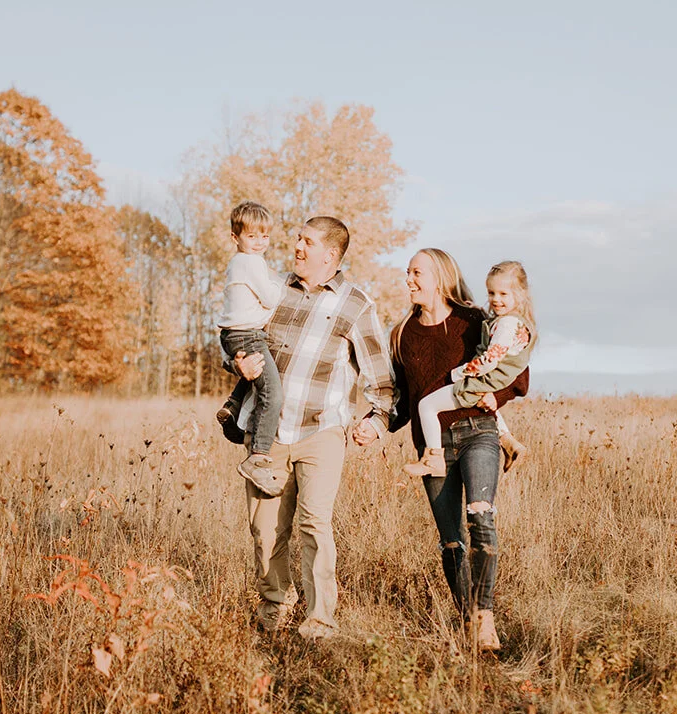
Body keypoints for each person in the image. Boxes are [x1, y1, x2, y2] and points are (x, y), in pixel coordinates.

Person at [232, 216, 395, 640]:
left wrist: (376, 420)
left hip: (322, 431)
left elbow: (380, 377)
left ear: (331, 254)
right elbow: (238, 334)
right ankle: (274, 606)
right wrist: (236, 361)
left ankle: (321, 619)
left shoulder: (355, 303)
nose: (297, 247)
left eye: (306, 242)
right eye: (298, 240)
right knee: (266, 530)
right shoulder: (273, 289)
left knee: (314, 523)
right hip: (267, 435)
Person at [385, 248, 529, 651]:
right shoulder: (401, 334)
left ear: (440, 278)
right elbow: (403, 398)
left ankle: (485, 618)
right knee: (452, 541)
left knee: (480, 519)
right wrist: (373, 422)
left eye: (416, 272)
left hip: (478, 432)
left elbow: (517, 372)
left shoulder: (475, 320)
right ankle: (467, 619)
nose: (409, 279)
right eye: (408, 272)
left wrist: (494, 397)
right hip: (433, 446)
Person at [405, 260, 536, 477]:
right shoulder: (511, 321)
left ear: (520, 294)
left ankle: (433, 460)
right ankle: (509, 441)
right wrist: (476, 309)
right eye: (492, 293)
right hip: (492, 381)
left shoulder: (506, 325)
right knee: (483, 401)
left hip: (484, 377)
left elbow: (490, 359)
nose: (496, 299)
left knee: (426, 406)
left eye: (503, 294)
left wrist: (459, 373)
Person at [217, 201, 288, 496]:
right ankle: (258, 456)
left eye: (264, 236)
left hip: (233, 335)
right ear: (236, 238)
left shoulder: (235, 263)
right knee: (273, 395)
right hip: (248, 336)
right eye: (252, 236)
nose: (259, 243)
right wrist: (284, 284)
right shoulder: (252, 263)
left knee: (257, 376)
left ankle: (232, 406)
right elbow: (271, 298)